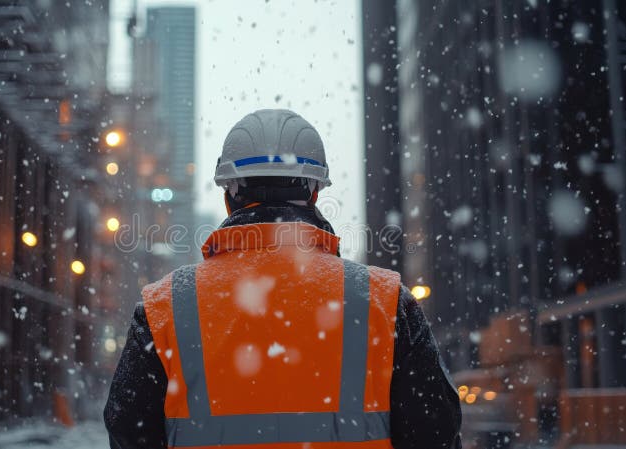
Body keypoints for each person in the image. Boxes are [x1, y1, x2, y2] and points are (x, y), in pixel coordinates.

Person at [104, 109, 462, 449]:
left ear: (229, 196)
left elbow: (127, 430)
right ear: (315, 193)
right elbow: (436, 433)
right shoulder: (385, 302)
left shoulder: (165, 306)